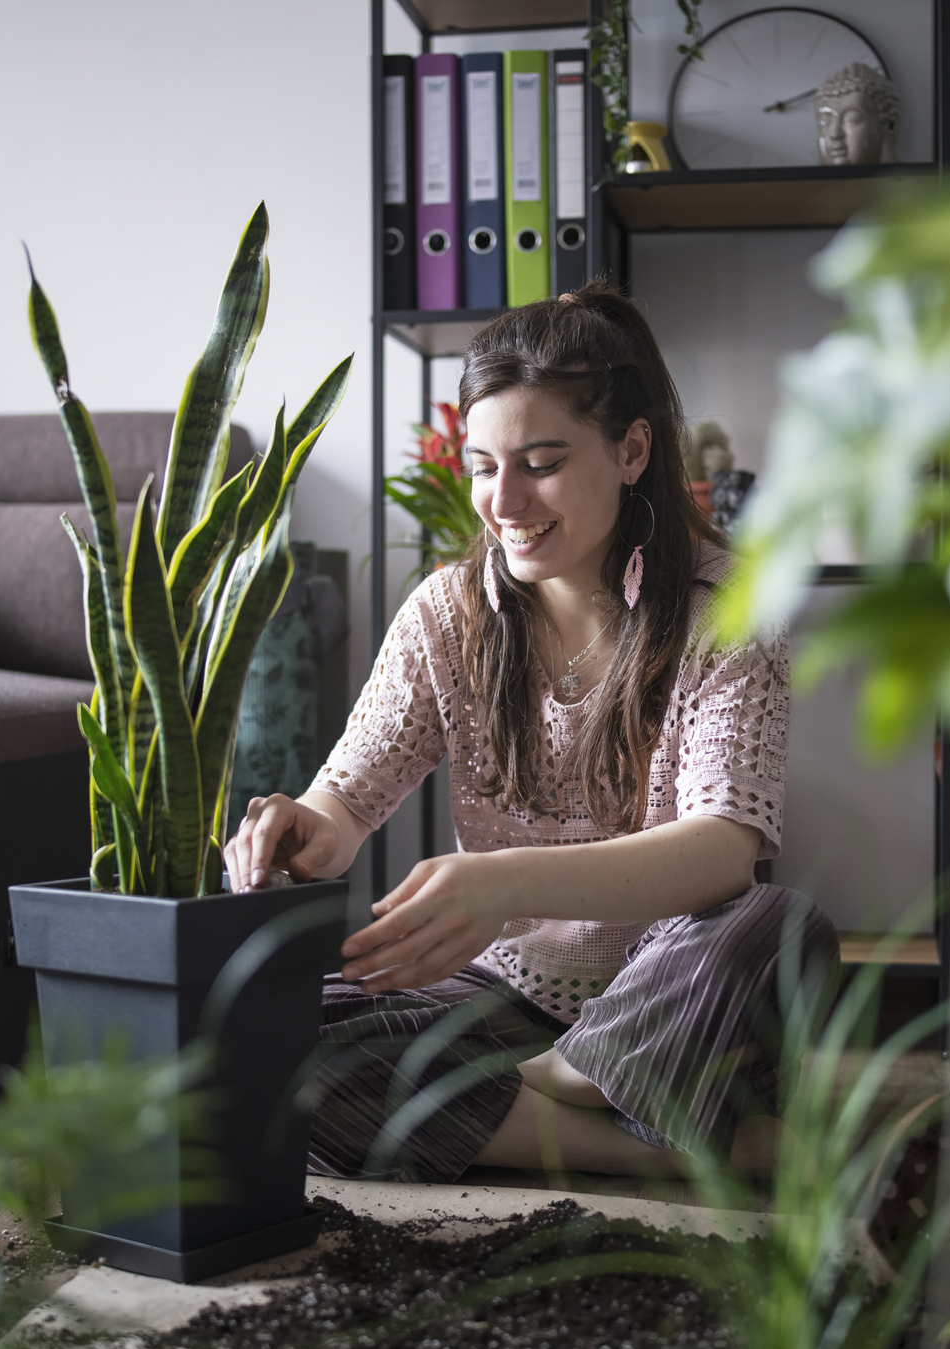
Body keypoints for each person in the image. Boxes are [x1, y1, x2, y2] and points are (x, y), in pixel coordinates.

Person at [223, 283, 834, 1181]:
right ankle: (664, 1142)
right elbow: (345, 802)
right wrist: (302, 826)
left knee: (777, 929)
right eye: (480, 465)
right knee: (259, 1038)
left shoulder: (727, 610)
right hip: (502, 990)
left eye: (541, 462)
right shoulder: (446, 613)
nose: (503, 500)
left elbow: (721, 855)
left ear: (631, 451)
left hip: (670, 984)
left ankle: (526, 1093)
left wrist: (500, 885)